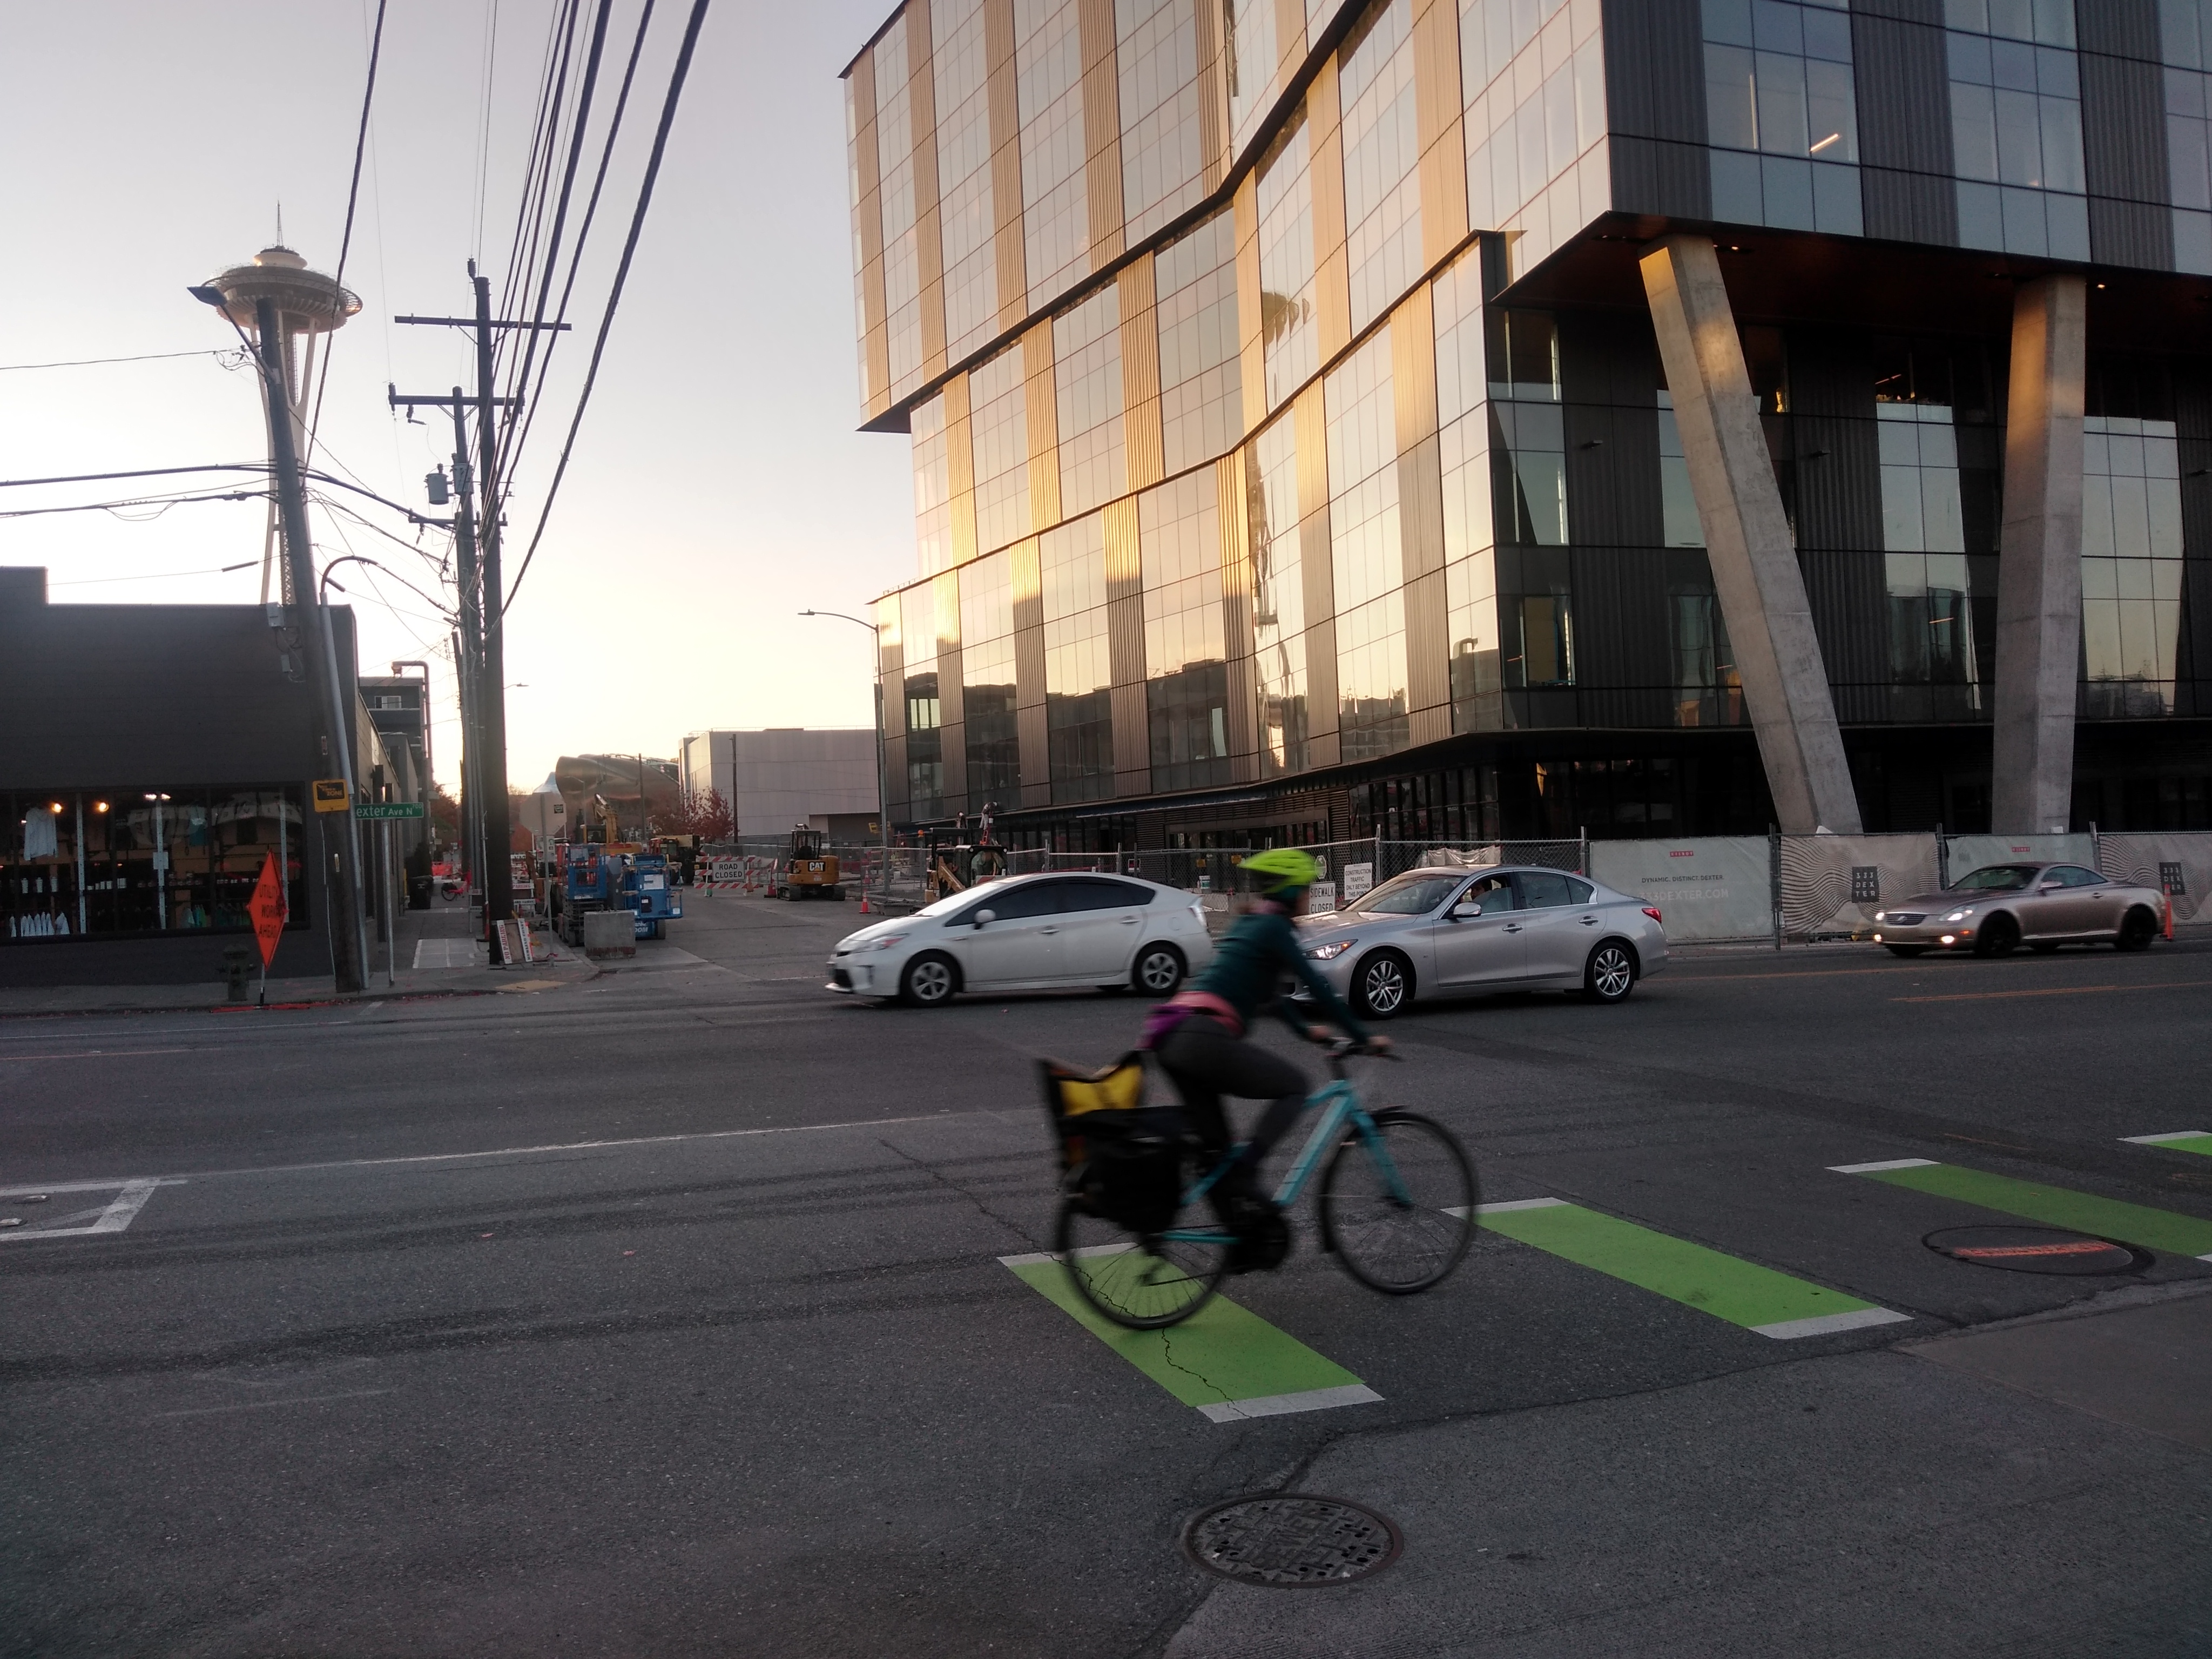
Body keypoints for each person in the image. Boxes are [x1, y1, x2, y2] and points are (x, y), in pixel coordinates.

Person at [1141, 847, 1391, 1267]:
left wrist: (1305, 1030)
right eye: (1307, 889)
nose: (1310, 896)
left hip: (1171, 1037)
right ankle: (1249, 1168)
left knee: (1216, 1153)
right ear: (1293, 890)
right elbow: (1319, 987)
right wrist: (1365, 1035)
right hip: (1204, 1038)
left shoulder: (1251, 924)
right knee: (1294, 1087)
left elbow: (1271, 996)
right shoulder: (1275, 930)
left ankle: (1239, 1243)